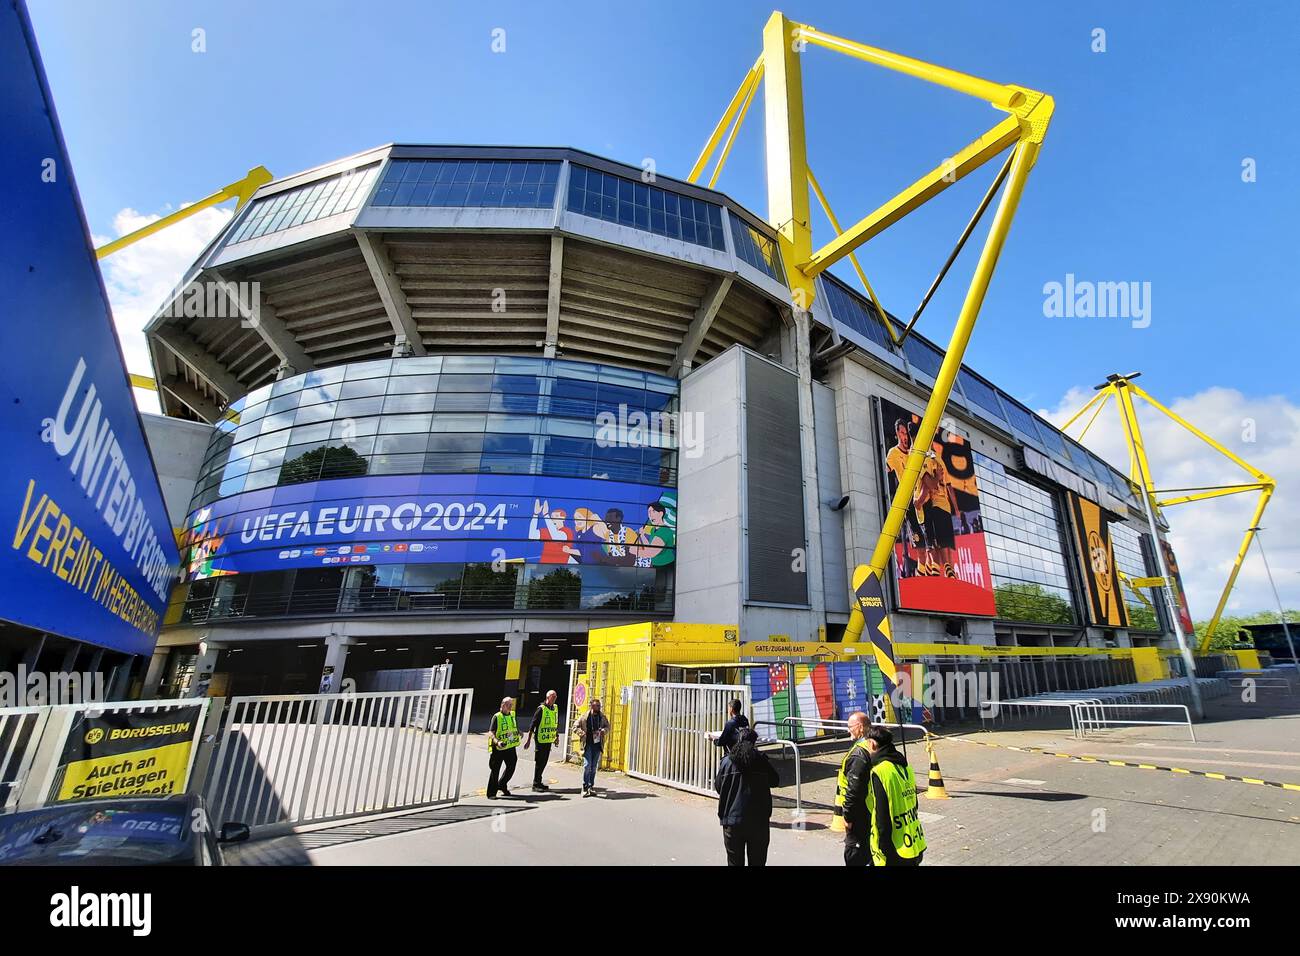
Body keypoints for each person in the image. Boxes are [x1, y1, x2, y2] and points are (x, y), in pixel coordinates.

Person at [713, 728, 779, 866]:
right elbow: (775, 780)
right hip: (758, 821)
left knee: (734, 862)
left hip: (732, 820)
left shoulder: (726, 762)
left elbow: (718, 787)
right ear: (754, 743)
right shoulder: (761, 761)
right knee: (758, 861)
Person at [864, 725, 926, 866]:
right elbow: (914, 803)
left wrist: (883, 847)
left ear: (872, 744)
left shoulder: (880, 771)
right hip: (913, 840)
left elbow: (882, 815)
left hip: (894, 848)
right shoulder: (906, 768)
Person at [837, 710, 874, 866]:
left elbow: (854, 790)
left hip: (860, 815)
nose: (848, 730)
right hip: (871, 811)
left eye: (850, 726)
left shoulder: (859, 753)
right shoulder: (874, 746)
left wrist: (848, 817)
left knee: (855, 856)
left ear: (859, 727)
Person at [523, 688, 561, 792]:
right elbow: (532, 725)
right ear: (548, 697)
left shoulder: (555, 708)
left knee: (544, 761)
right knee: (539, 762)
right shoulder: (541, 709)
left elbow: (555, 723)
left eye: (556, 697)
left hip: (548, 739)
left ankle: (539, 782)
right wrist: (528, 740)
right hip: (540, 739)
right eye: (553, 697)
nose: (555, 698)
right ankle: (535, 784)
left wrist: (556, 736)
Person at [573, 698, 610, 797]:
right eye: (596, 706)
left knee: (594, 767)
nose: (598, 707)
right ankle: (585, 787)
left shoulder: (602, 717)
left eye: (599, 706)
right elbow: (575, 726)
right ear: (591, 706)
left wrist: (603, 731)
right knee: (587, 765)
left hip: (597, 745)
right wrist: (581, 733)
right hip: (588, 744)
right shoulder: (585, 717)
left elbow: (608, 727)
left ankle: (591, 786)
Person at [486, 696, 520, 799]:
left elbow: (512, 727)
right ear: (503, 705)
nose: (511, 707)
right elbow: (491, 732)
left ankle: (502, 784)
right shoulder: (497, 717)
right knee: (495, 769)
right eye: (509, 705)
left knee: (512, 766)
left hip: (510, 746)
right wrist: (497, 742)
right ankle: (491, 793)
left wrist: (519, 731)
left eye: (511, 705)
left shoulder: (512, 715)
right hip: (499, 748)